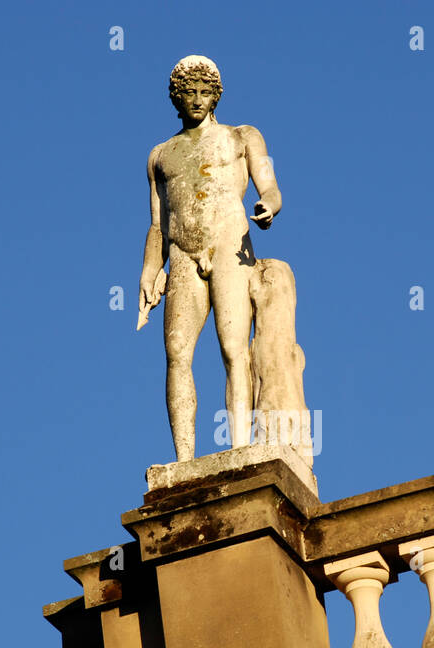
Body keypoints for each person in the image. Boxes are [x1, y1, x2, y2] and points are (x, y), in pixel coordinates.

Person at [137, 55, 283, 463]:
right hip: (183, 254)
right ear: (177, 98)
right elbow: (157, 224)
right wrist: (151, 269)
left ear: (216, 95)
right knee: (177, 352)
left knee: (233, 346)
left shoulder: (243, 136)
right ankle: (183, 460)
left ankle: (239, 448)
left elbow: (271, 186)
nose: (197, 99)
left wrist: (268, 206)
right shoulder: (159, 156)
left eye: (205, 92)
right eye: (190, 93)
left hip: (229, 243)